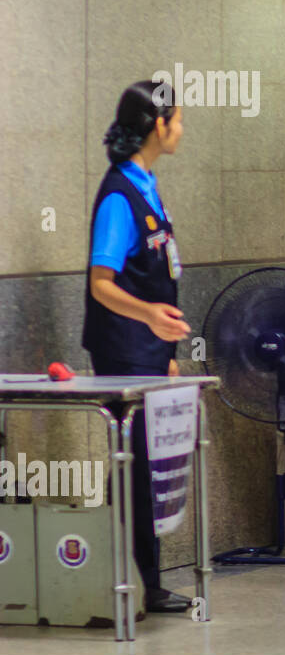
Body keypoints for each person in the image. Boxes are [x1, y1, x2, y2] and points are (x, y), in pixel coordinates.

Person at [83, 80, 192, 614]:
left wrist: (164, 348)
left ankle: (138, 578)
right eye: (176, 119)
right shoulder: (118, 197)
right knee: (134, 465)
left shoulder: (146, 182)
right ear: (157, 126)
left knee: (144, 465)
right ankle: (133, 580)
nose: (181, 128)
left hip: (148, 351)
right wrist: (149, 316)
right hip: (121, 352)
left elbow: (153, 273)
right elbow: (102, 283)